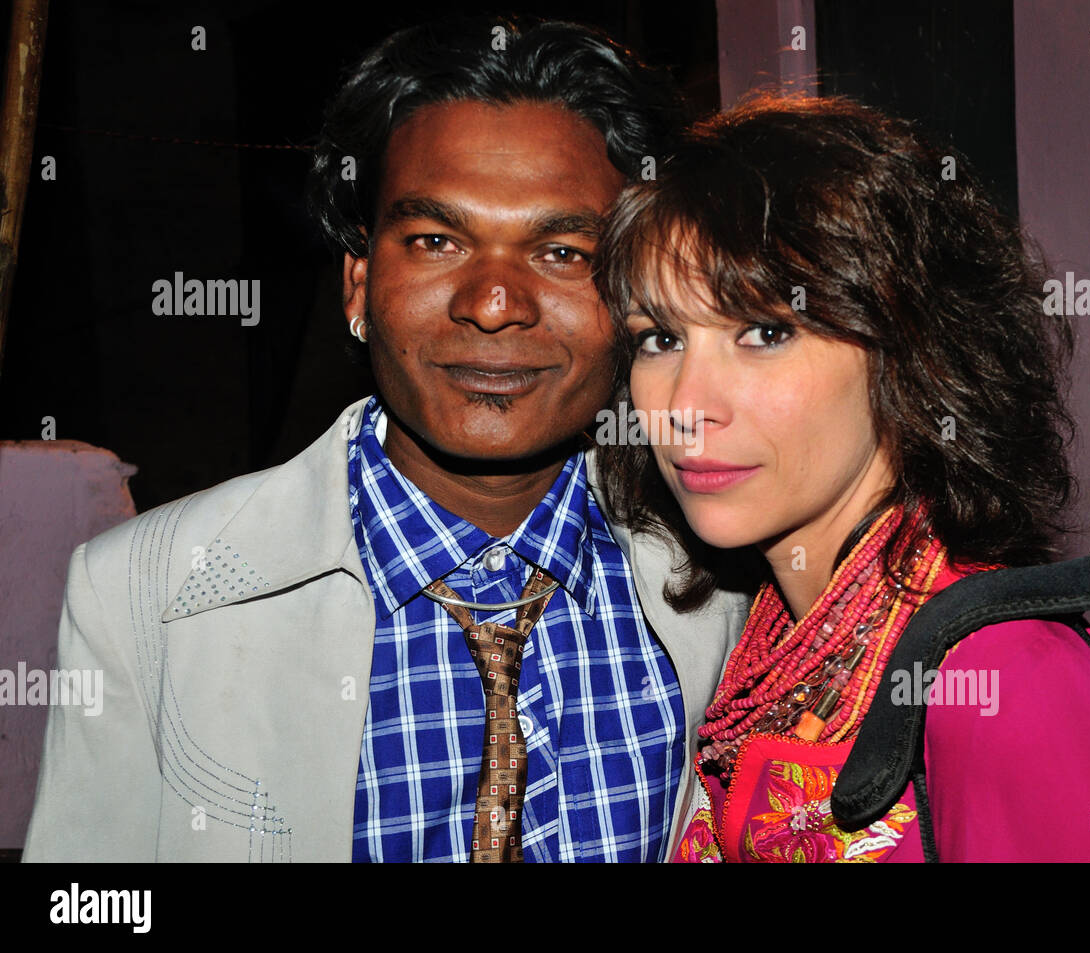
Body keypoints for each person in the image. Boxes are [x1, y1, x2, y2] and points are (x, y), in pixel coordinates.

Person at [22, 19, 747, 863]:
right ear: (359, 283)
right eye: (437, 241)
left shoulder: (727, 578)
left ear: (633, 300)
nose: (494, 301)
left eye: (561, 250)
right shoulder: (142, 594)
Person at [593, 95, 1090, 862]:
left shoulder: (1005, 682)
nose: (685, 406)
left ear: (909, 352)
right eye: (659, 338)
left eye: (765, 331)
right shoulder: (761, 638)